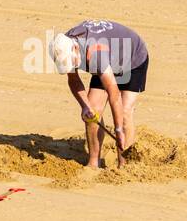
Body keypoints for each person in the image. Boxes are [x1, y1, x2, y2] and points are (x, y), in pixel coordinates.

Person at [49, 20, 149, 169]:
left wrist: (118, 129)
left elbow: (114, 94)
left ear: (76, 49)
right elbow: (74, 80)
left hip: (132, 59)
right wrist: (84, 106)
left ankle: (124, 165)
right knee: (92, 111)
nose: (73, 66)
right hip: (108, 59)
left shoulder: (95, 52)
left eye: (72, 62)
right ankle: (94, 162)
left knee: (125, 112)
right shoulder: (64, 44)